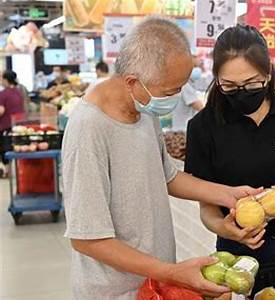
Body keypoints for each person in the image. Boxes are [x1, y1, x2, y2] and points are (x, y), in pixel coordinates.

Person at [62, 16, 260, 300]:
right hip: (115, 292)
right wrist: (171, 271)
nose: (177, 98)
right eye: (171, 91)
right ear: (133, 81)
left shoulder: (143, 109)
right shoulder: (89, 129)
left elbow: (167, 176)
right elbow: (87, 239)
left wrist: (229, 195)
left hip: (155, 284)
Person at [185, 25, 275, 295]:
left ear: (268, 72)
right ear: (216, 78)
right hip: (241, 253)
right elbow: (208, 210)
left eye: (252, 84)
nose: (242, 93)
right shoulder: (204, 127)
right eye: (230, 86)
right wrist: (224, 228)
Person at [0, 70, 25, 177]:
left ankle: (7, 171)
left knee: (4, 148)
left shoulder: (3, 94)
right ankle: (14, 170)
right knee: (13, 147)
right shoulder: (18, 91)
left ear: (5, 80)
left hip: (5, 125)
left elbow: (1, 111)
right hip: (18, 125)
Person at [171, 68, 205, 132]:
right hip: (183, 128)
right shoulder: (184, 85)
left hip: (182, 126)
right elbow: (196, 104)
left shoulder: (187, 84)